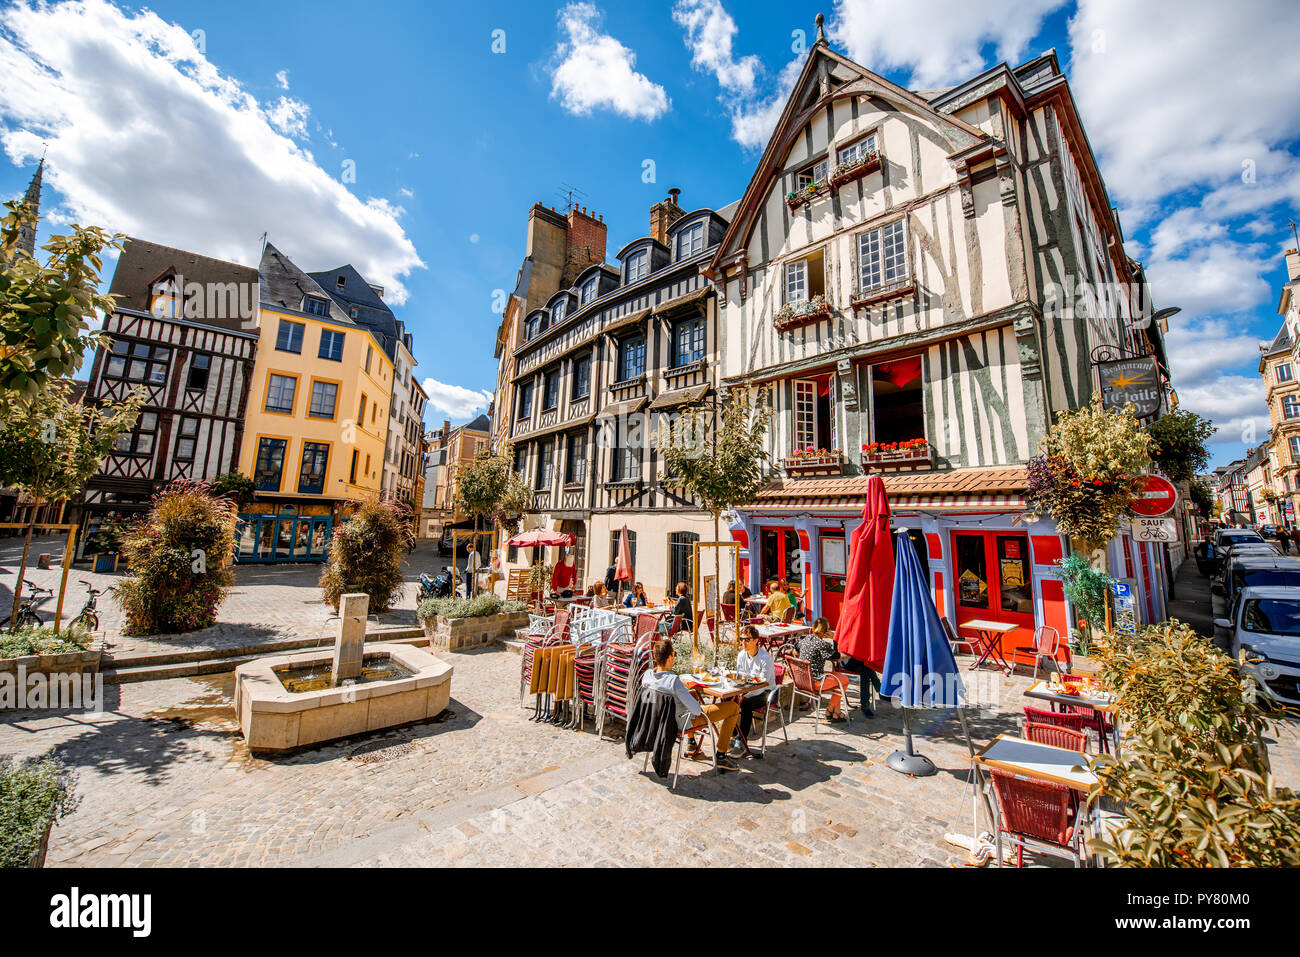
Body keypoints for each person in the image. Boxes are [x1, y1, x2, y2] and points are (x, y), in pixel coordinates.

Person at [641, 638, 740, 770]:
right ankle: (721, 755)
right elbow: (697, 711)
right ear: (670, 657)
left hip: (658, 720)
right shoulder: (673, 682)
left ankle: (692, 743)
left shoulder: (647, 676)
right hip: (681, 723)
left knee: (692, 693)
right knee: (733, 708)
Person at [796, 618, 850, 721]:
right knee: (844, 680)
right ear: (825, 632)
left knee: (837, 677)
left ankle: (836, 712)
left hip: (802, 680)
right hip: (815, 682)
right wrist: (835, 639)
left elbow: (795, 649)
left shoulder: (805, 640)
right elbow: (837, 657)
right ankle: (830, 709)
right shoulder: (823, 645)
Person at [734, 625, 776, 755]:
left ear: (756, 640)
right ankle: (732, 734)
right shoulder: (741, 655)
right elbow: (739, 677)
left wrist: (744, 696)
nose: (743, 643)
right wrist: (738, 694)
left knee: (745, 704)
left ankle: (741, 741)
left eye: (747, 639)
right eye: (742, 639)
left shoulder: (765, 658)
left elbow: (762, 684)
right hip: (747, 690)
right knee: (727, 699)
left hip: (766, 692)